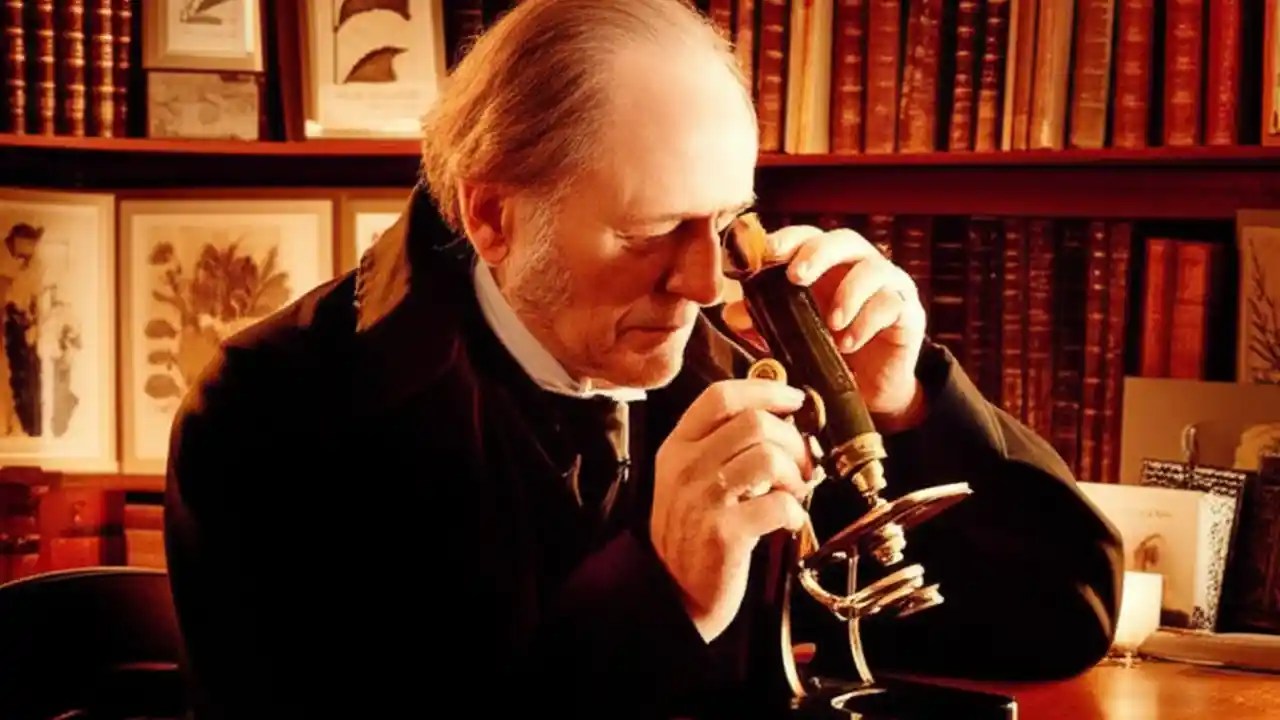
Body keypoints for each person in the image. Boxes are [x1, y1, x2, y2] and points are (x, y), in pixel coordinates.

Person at [162, 1, 1123, 718]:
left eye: (727, 221)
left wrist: (908, 407)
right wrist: (663, 597)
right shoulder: (272, 416)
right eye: (655, 229)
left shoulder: (735, 375)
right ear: (494, 215)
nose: (708, 285)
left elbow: (1056, 622)